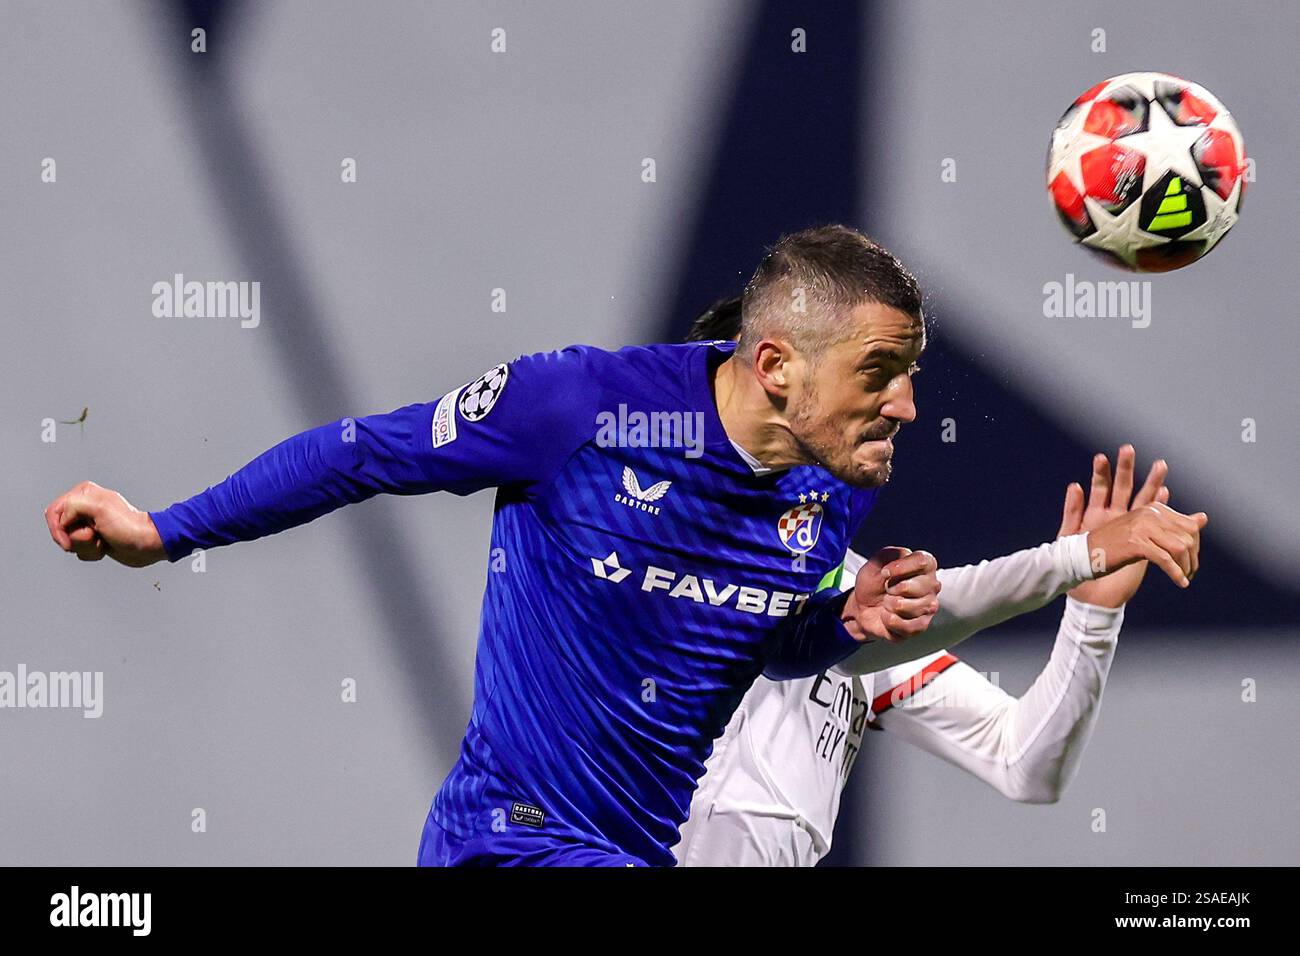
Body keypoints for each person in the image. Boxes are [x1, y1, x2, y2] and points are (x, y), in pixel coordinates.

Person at [42, 225, 1200, 867]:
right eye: (880, 375)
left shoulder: (822, 505)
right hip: (511, 843)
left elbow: (763, 648)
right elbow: (358, 452)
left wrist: (834, 626)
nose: (905, 409)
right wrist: (169, 527)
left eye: (910, 377)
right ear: (776, 367)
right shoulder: (575, 407)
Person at [674, 299, 1205, 866]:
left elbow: (1022, 762)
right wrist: (1078, 556)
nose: (891, 407)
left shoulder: (852, 586)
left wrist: (1091, 617)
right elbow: (869, 634)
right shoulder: (656, 546)